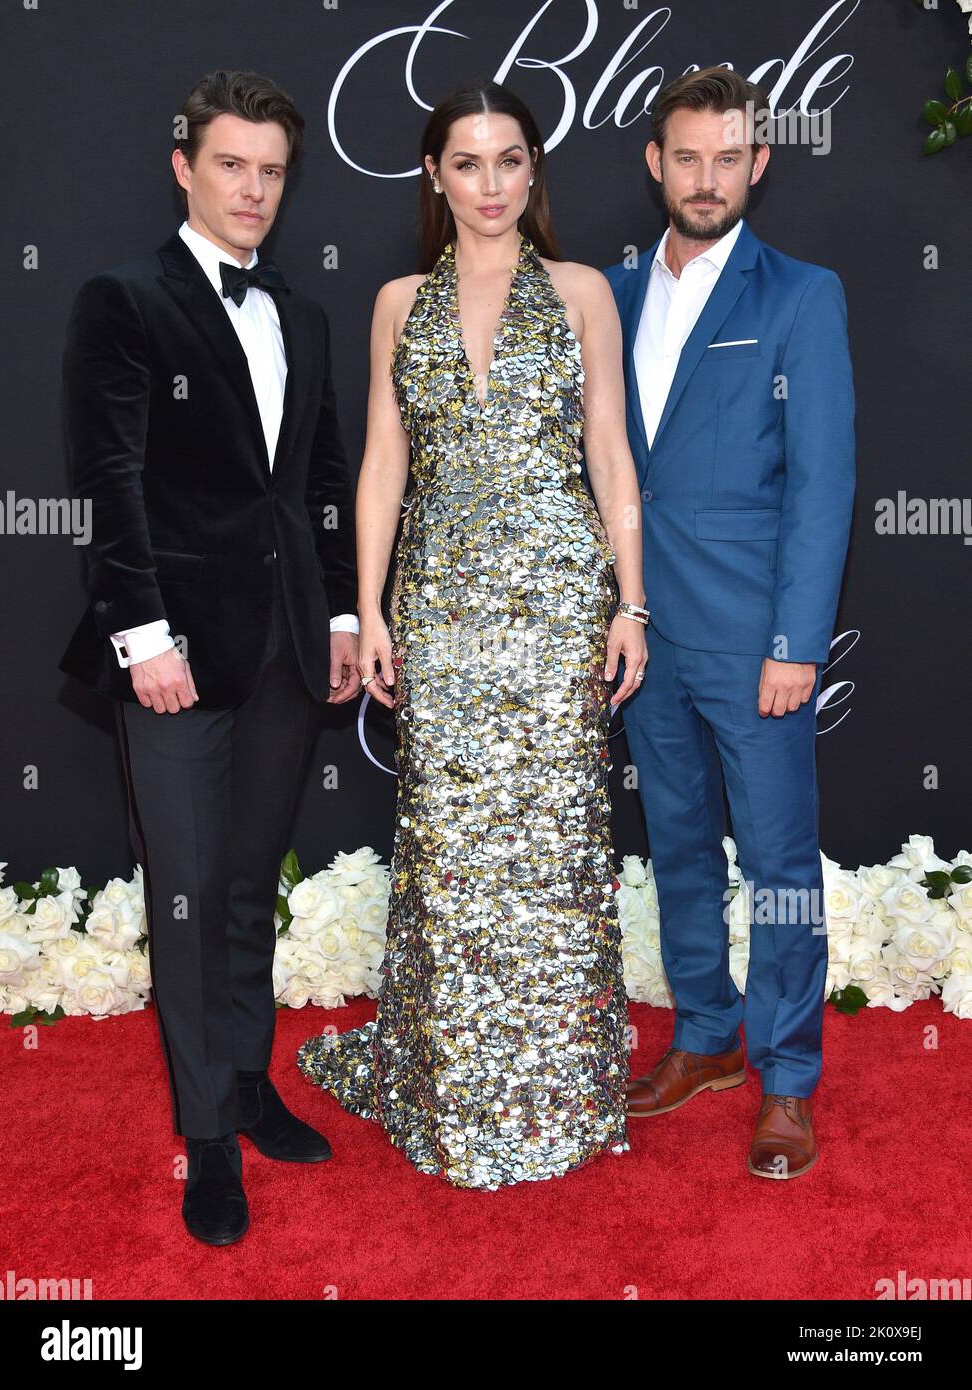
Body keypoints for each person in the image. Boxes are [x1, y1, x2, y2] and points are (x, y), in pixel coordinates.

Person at [297, 80, 647, 1191]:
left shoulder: (584, 289)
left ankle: (560, 1089)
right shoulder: (399, 300)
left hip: (556, 607)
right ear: (434, 177)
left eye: (509, 161)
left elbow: (609, 454)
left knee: (551, 852)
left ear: (533, 171)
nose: (490, 185)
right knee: (452, 857)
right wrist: (376, 604)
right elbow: (383, 462)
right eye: (467, 163)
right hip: (443, 603)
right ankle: (451, 1084)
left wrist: (630, 602)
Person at [59, 69, 361, 1243]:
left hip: (287, 649)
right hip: (173, 655)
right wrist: (143, 638)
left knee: (246, 884)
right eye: (231, 165)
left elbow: (320, 482)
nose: (253, 189)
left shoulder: (304, 312)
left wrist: (339, 617)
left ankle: (244, 1076)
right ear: (185, 168)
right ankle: (207, 1140)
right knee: (184, 899)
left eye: (272, 171)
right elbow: (110, 478)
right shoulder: (122, 298)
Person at [605, 67, 855, 1178]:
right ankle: (705, 1035)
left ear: (759, 163)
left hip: (756, 640)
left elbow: (823, 482)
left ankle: (789, 1077)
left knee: (781, 861)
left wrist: (798, 644)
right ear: (656, 163)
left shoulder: (802, 293)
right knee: (677, 848)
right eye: (686, 156)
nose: (707, 178)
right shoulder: (605, 295)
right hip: (641, 634)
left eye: (729, 157)